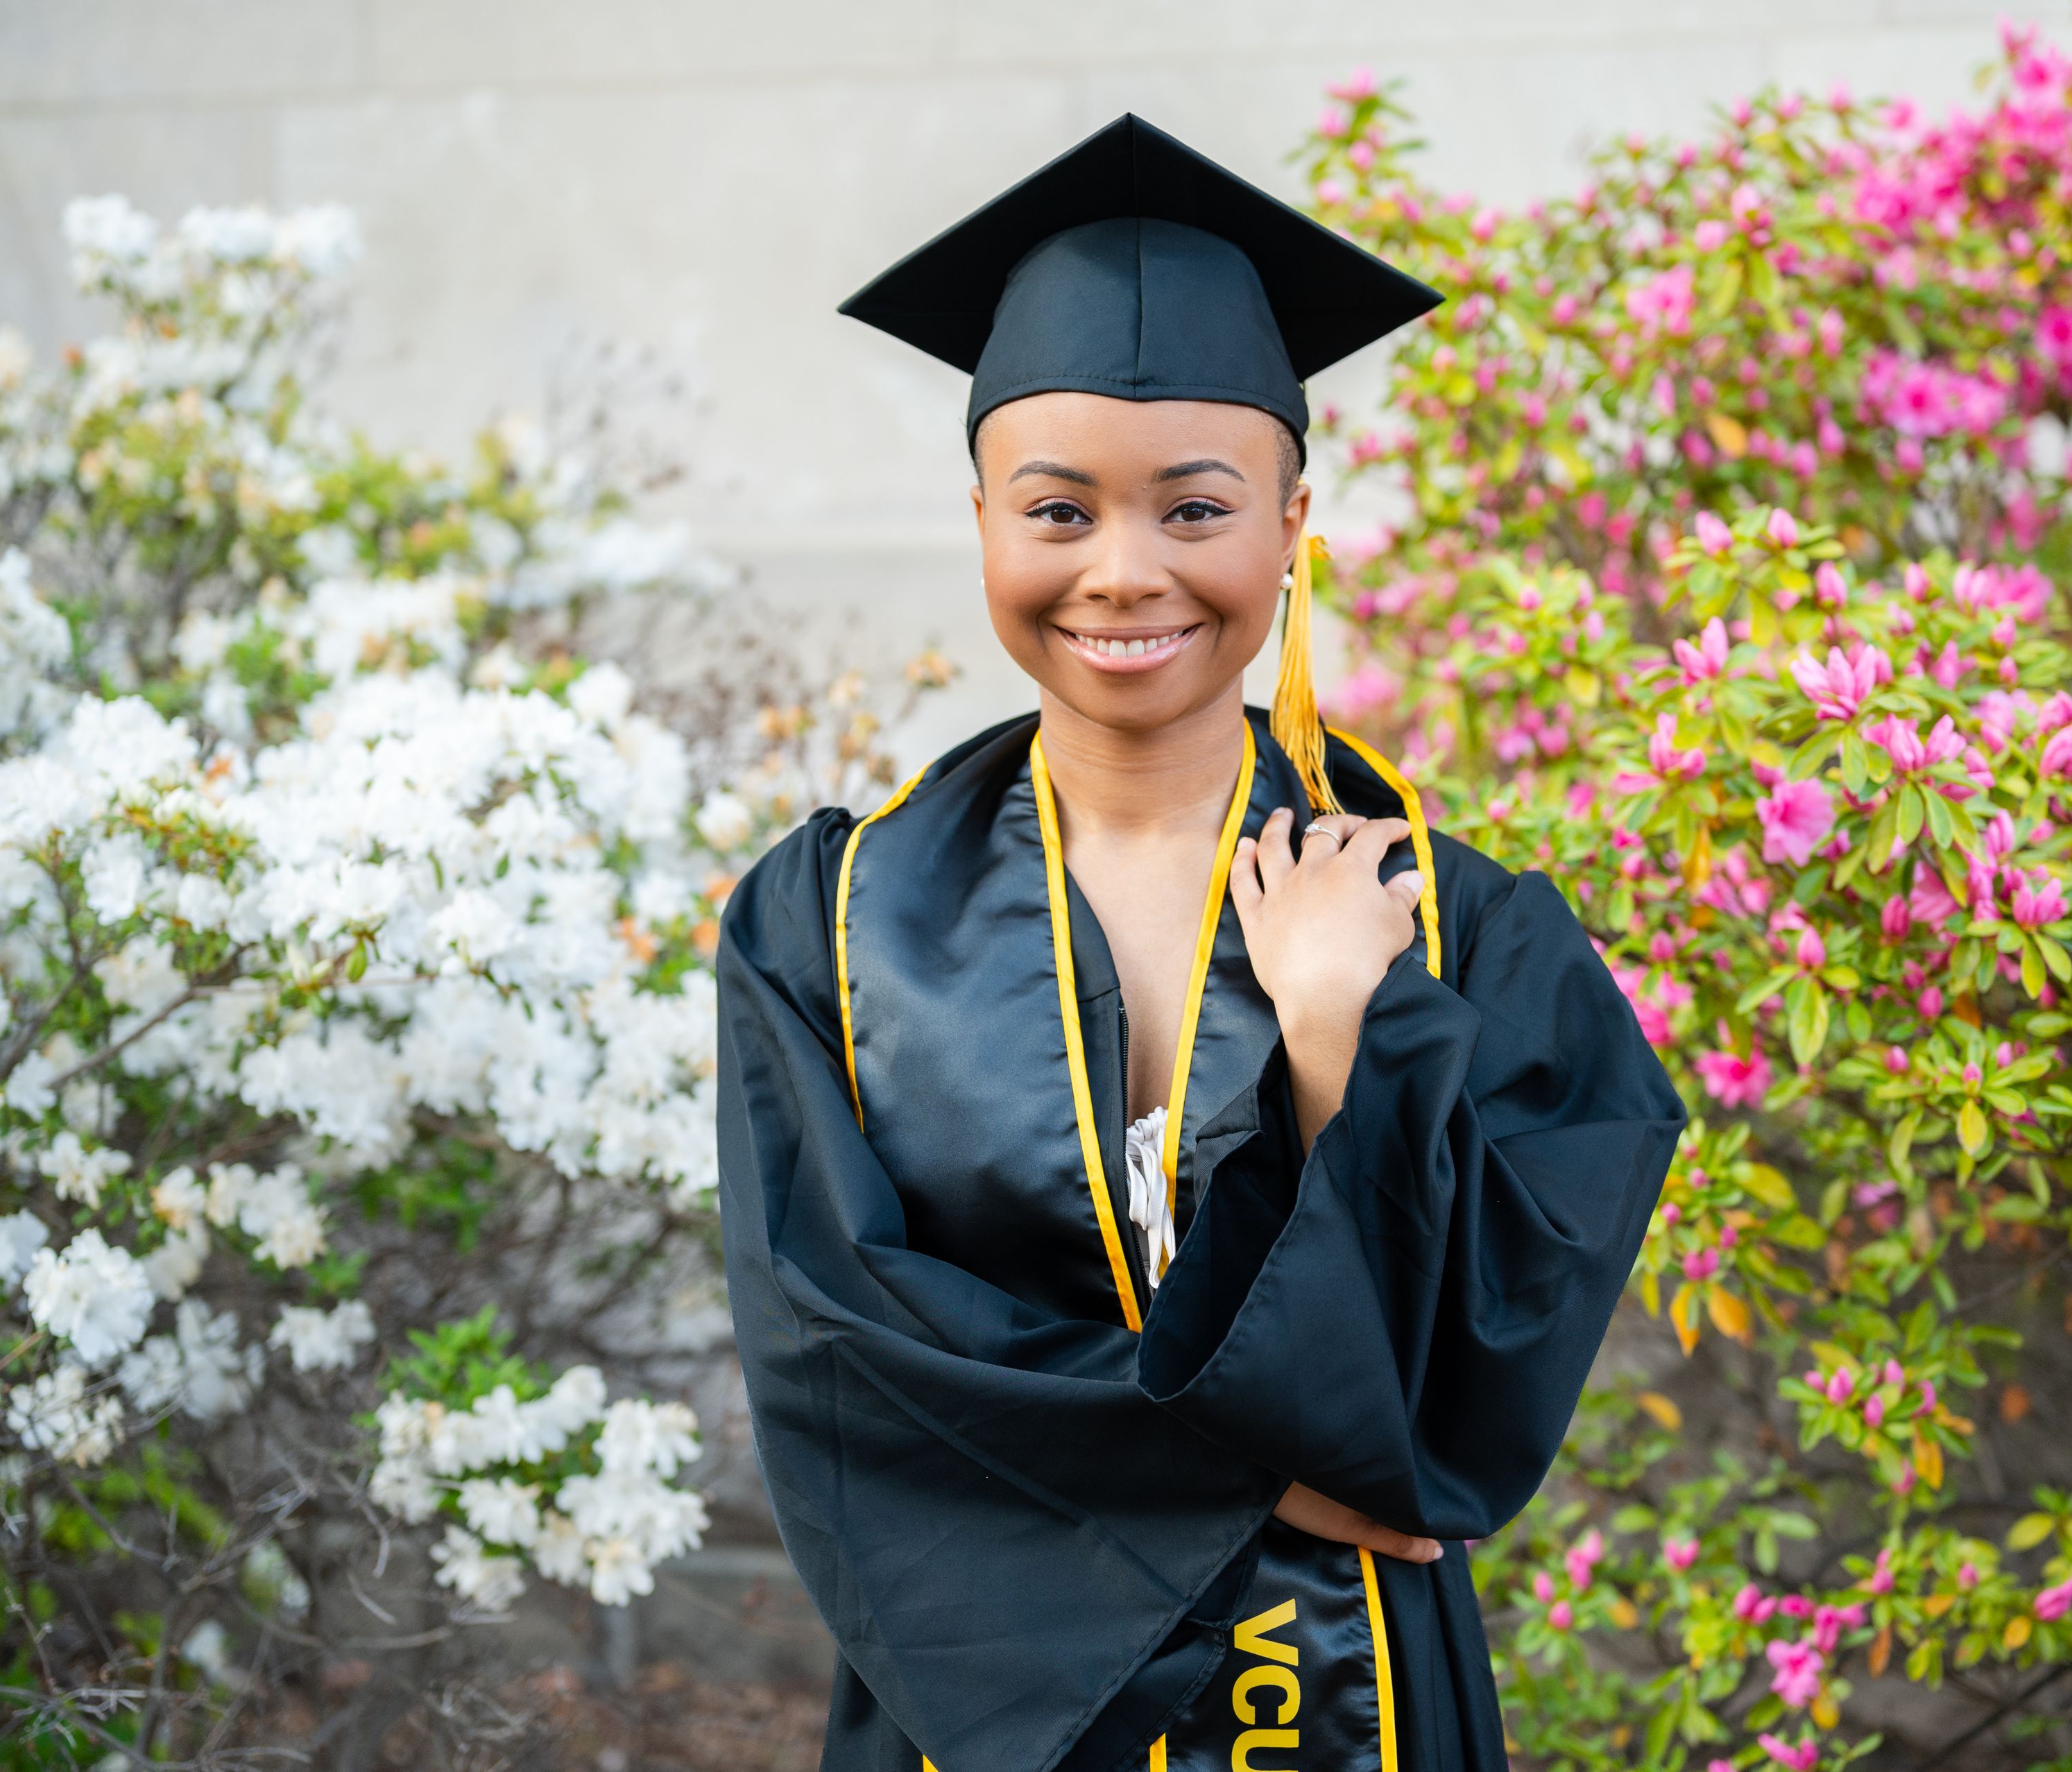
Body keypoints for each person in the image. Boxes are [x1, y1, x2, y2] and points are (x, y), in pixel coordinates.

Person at [717, 114, 1685, 1772]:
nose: (1121, 570)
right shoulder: (828, 928)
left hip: (1359, 1691)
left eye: (1193, 508)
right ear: (978, 520)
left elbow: (1470, 1406)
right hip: (987, 1705)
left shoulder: (1463, 932)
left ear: (1294, 520)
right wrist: (1245, 1473)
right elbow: (842, 1359)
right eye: (1058, 510)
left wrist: (1338, 1044)